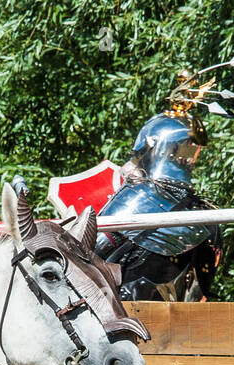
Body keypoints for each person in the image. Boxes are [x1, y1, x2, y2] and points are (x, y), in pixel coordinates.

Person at [95, 83, 224, 303]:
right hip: (182, 326)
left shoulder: (140, 199)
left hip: (120, 315)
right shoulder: (207, 218)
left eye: (140, 153)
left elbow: (90, 254)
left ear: (155, 147)